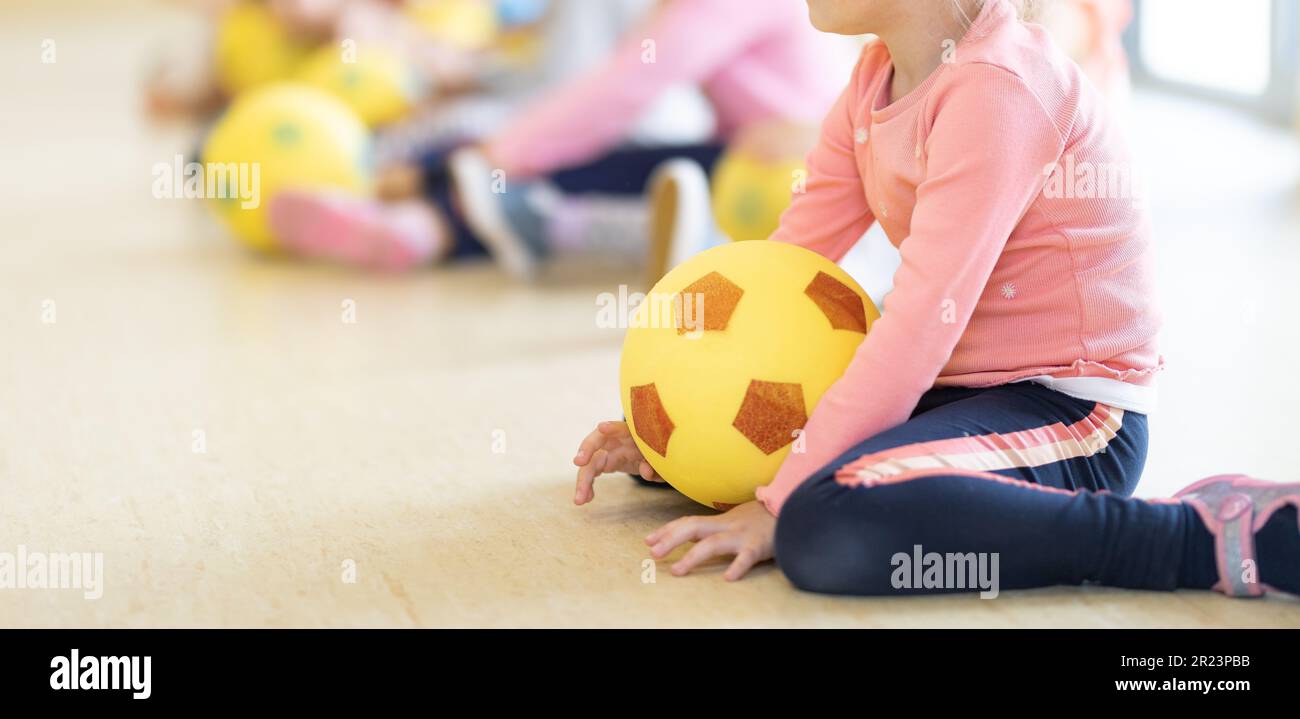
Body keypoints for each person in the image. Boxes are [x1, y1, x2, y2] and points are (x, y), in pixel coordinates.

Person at [571, 0, 1300, 598]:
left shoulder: (996, 88)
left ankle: (1193, 533)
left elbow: (918, 324)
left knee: (821, 527)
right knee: (806, 500)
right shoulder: (873, 76)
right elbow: (786, 270)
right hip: (955, 385)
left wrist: (776, 499)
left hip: (1072, 410)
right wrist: (694, 435)